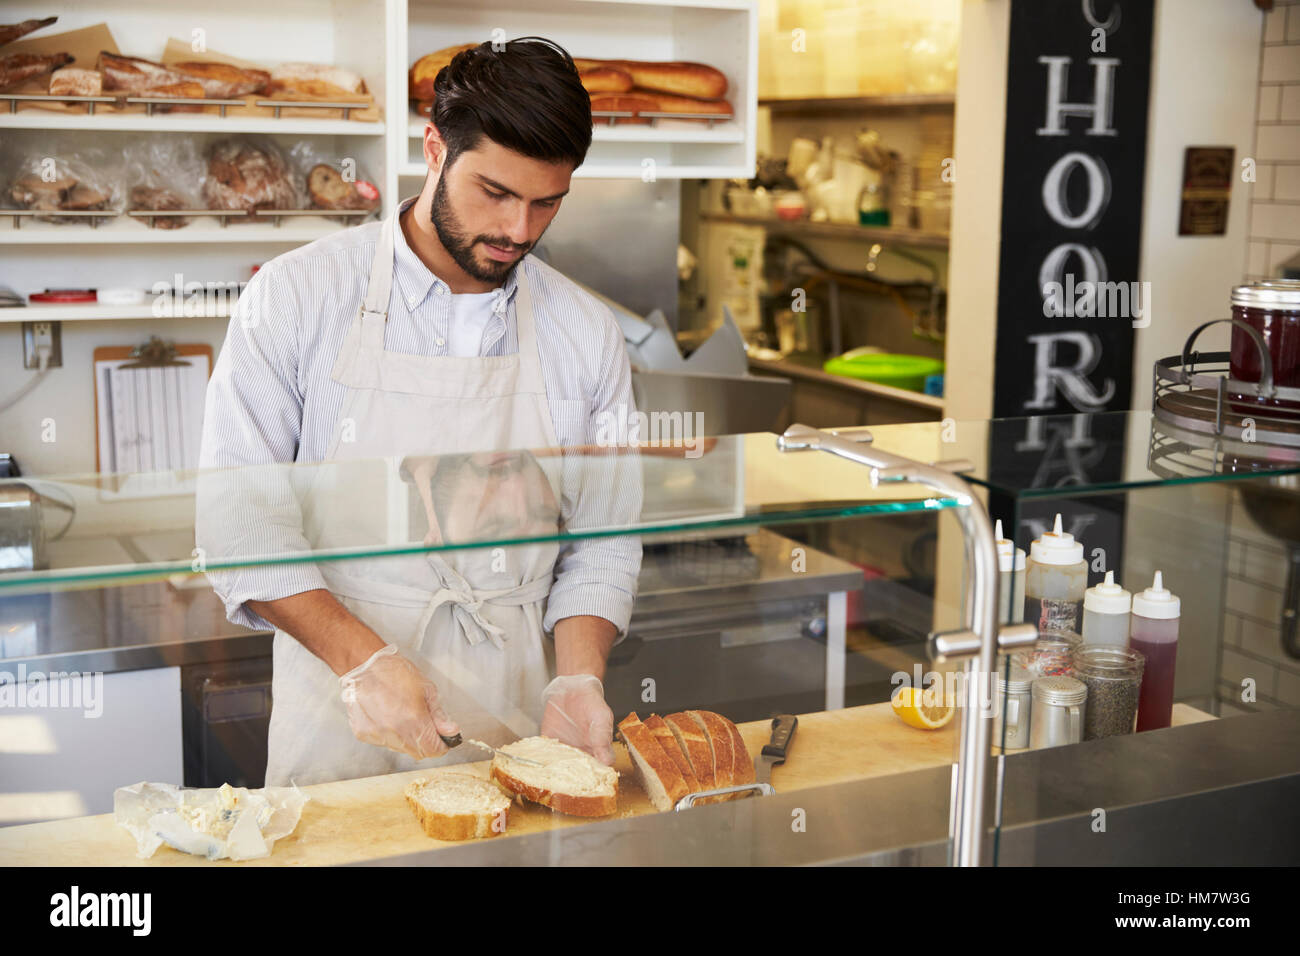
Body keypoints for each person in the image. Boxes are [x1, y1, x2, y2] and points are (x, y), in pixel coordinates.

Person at [197, 37, 642, 787]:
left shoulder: (587, 331)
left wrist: (579, 679)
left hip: (524, 725)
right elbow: (240, 524)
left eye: (547, 202)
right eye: (495, 193)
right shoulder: (296, 297)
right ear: (434, 148)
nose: (519, 231)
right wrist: (362, 660)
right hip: (344, 712)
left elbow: (604, 540)